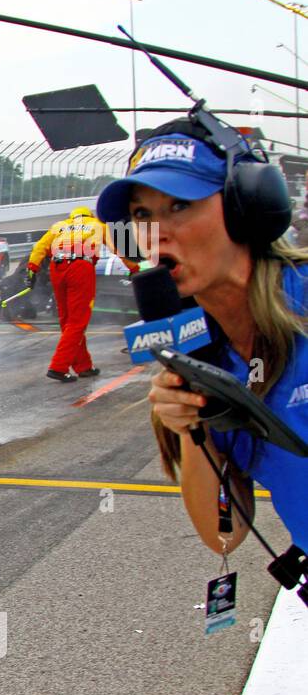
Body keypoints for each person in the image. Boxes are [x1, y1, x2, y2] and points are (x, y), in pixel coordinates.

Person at [97, 118, 307, 554]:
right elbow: (223, 535)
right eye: (142, 214)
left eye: (179, 205)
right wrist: (196, 426)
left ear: (244, 208)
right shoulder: (203, 357)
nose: (158, 232)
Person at [27, 206, 121, 382]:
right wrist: (135, 268)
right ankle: (58, 367)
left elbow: (40, 247)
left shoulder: (59, 226)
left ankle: (83, 366)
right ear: (89, 215)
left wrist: (32, 269)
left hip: (57, 268)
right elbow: (118, 248)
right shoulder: (96, 224)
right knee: (78, 321)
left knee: (67, 320)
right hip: (80, 267)